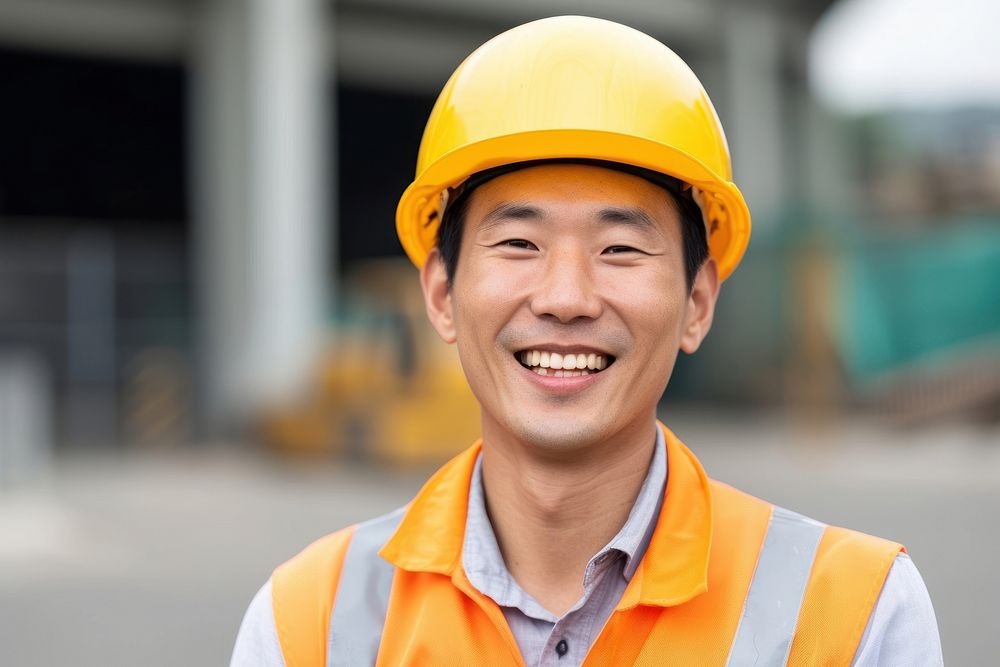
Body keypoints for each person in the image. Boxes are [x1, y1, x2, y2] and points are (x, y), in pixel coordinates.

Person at [231, 16, 942, 666]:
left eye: (619, 249)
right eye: (519, 243)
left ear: (697, 302)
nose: (566, 298)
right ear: (442, 294)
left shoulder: (855, 616)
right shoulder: (307, 624)